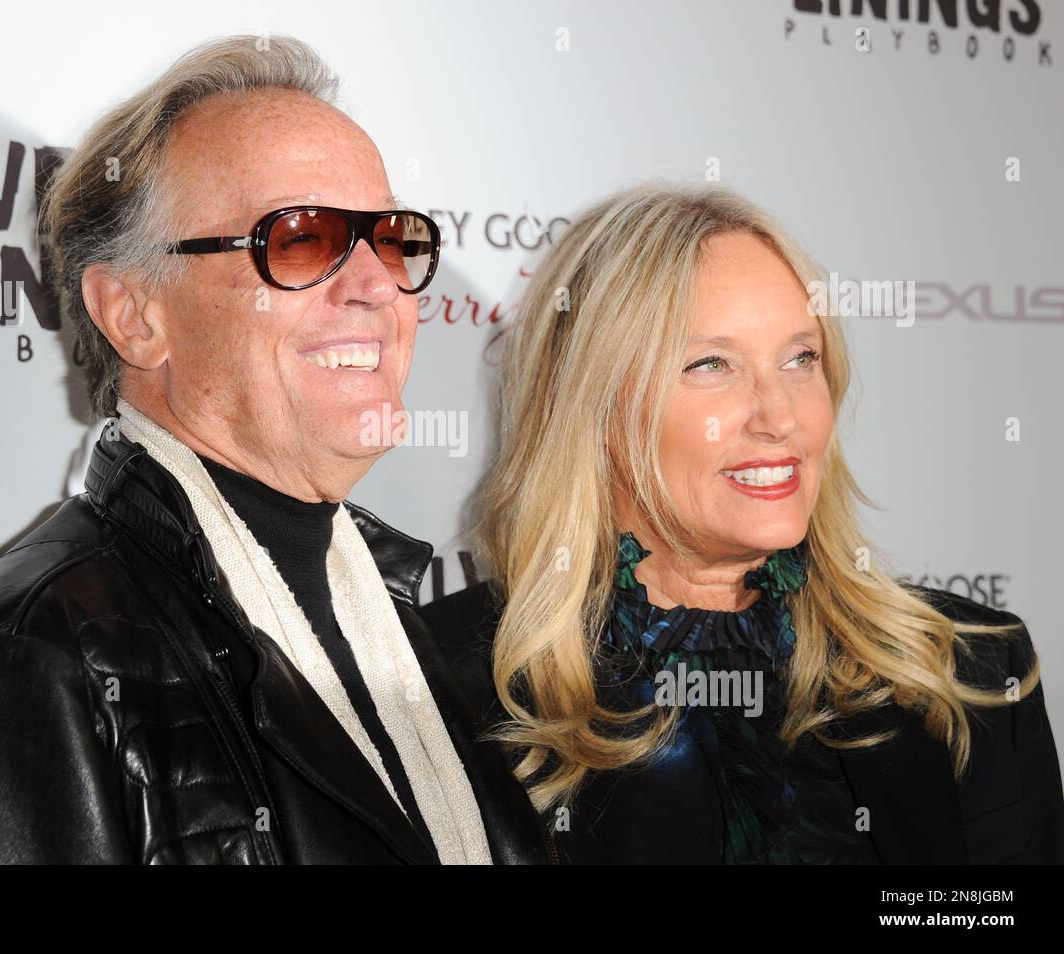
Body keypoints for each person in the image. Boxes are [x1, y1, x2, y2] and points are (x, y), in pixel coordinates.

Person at [0, 35, 550, 865]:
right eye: (300, 239)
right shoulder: (18, 666)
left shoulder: (392, 623)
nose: (377, 285)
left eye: (389, 238)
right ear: (135, 314)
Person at [420, 183, 1064, 864]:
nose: (780, 416)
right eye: (711, 364)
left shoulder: (970, 670)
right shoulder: (444, 693)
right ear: (595, 406)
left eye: (800, 358)